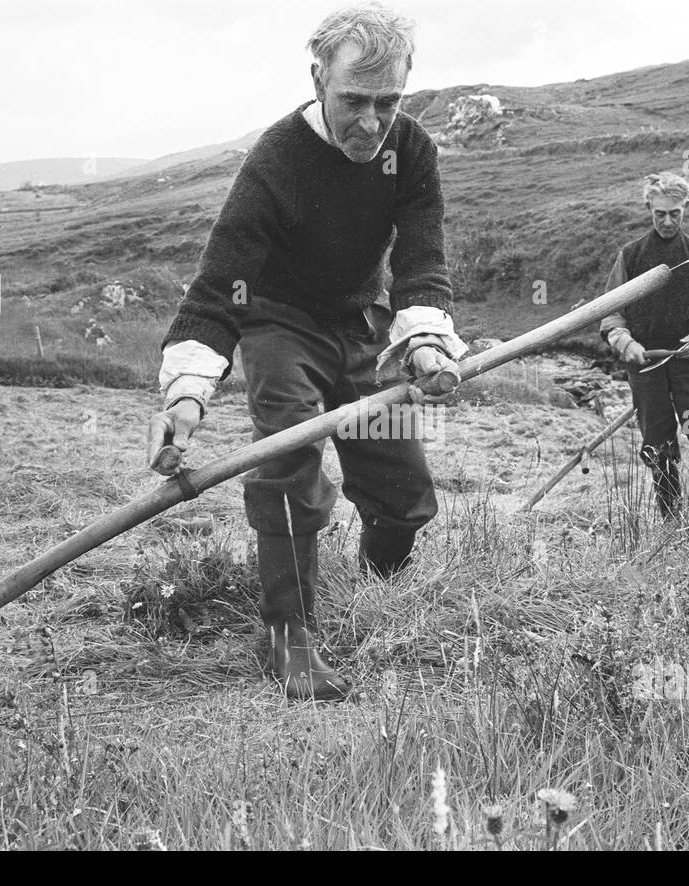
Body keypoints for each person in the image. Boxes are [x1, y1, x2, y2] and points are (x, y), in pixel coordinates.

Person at [150, 3, 465, 700]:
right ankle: (287, 635)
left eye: (389, 102)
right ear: (318, 76)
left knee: (403, 495)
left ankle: (374, 592)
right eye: (355, 101)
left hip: (359, 324)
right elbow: (218, 287)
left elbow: (421, 260)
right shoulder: (277, 160)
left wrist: (422, 342)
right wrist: (188, 389)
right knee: (290, 453)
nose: (372, 122)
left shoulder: (411, 151)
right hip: (278, 324)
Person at [598, 172, 689, 520]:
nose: (667, 221)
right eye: (659, 213)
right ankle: (672, 525)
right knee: (658, 450)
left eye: (675, 213)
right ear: (648, 208)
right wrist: (625, 341)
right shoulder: (630, 256)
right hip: (645, 369)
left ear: (687, 208)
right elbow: (609, 314)